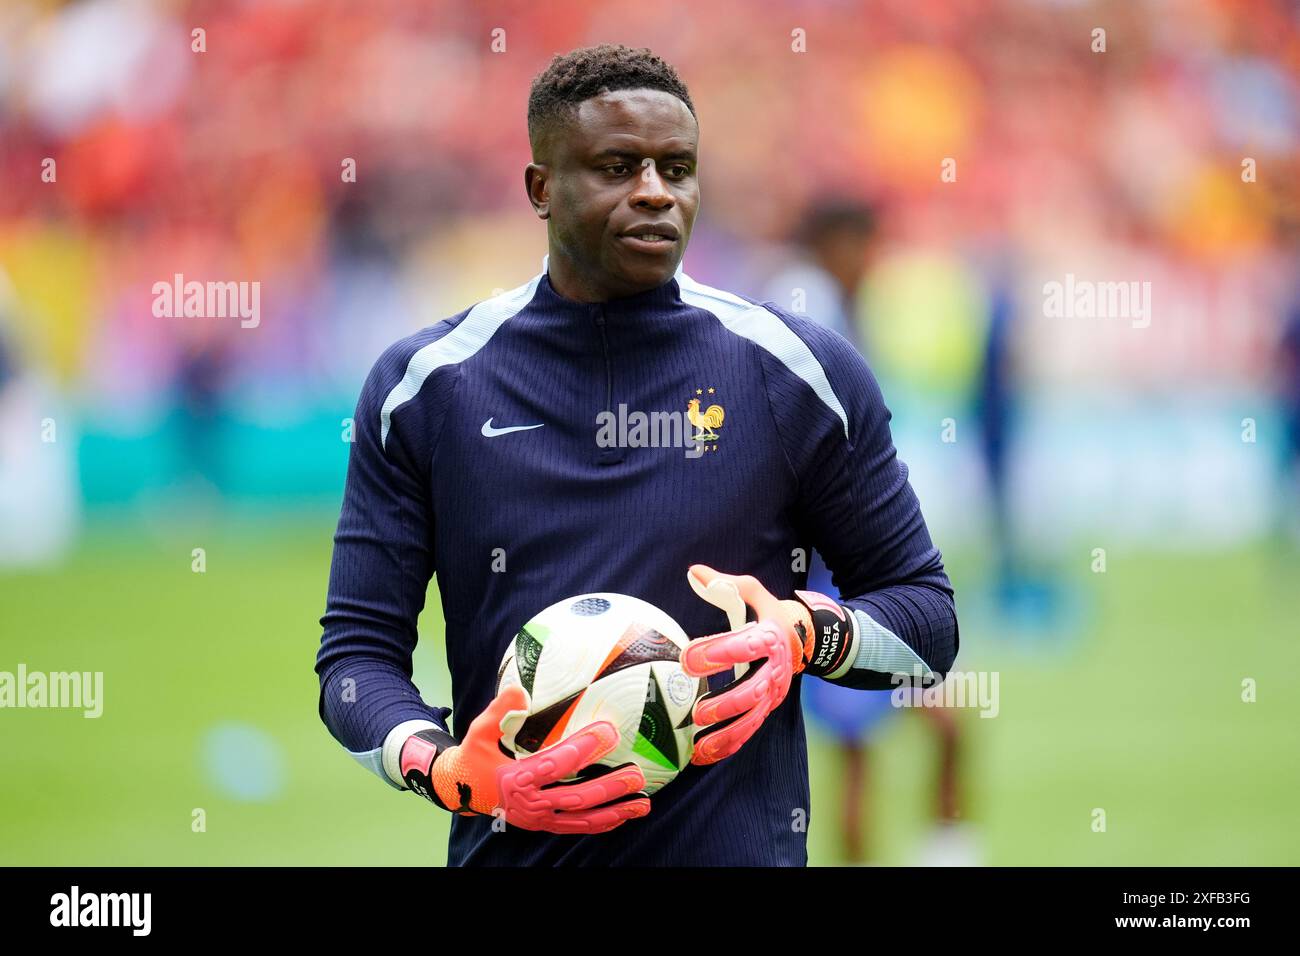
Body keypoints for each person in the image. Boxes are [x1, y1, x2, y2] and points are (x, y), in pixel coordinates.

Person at [314, 44, 957, 866]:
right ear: (541, 189)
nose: (656, 192)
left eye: (677, 168)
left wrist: (808, 633)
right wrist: (439, 766)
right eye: (617, 167)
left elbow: (928, 621)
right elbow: (356, 657)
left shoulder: (798, 372)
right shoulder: (427, 388)